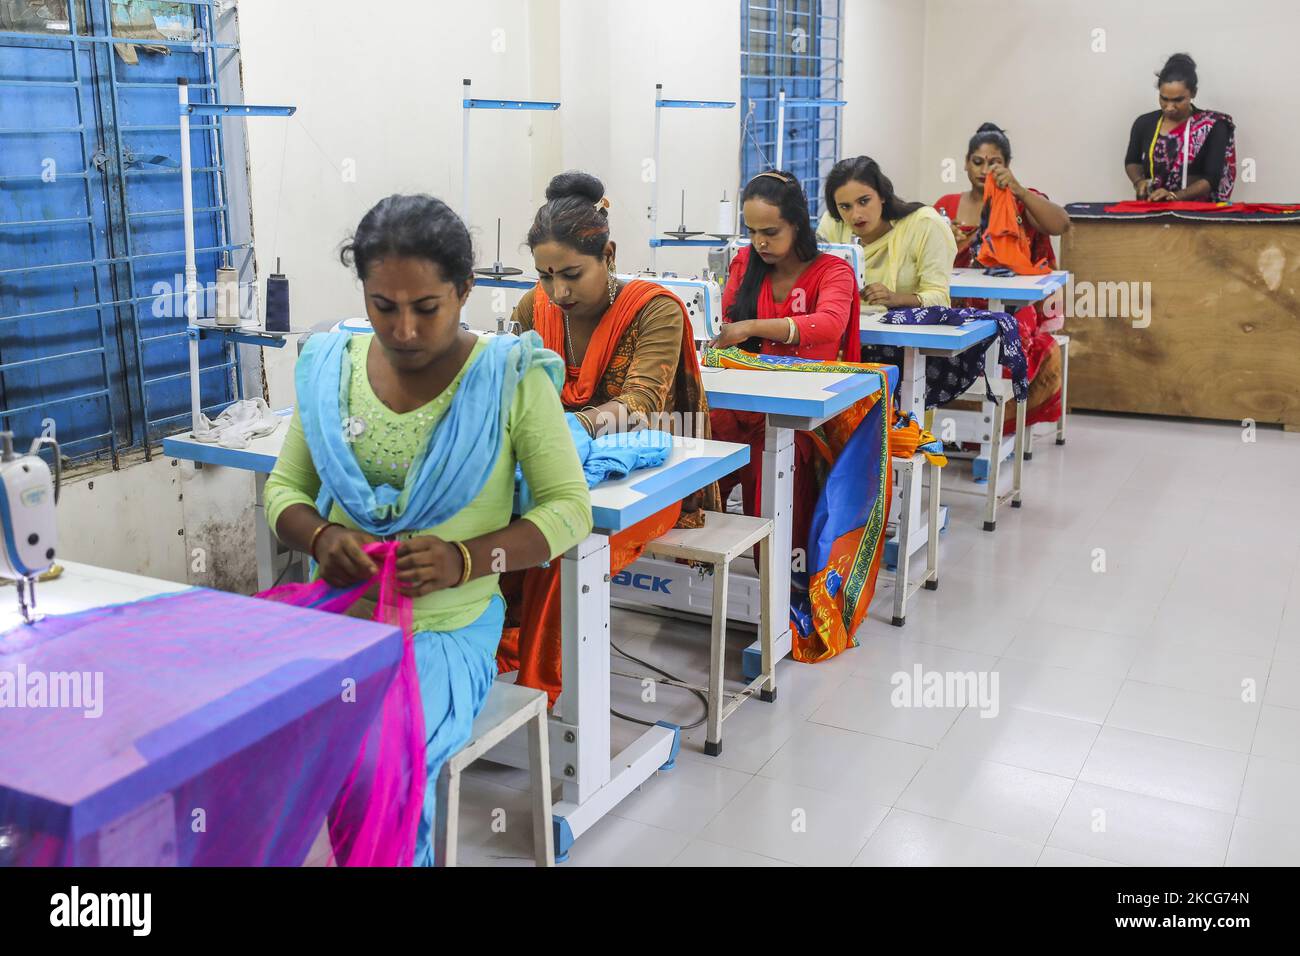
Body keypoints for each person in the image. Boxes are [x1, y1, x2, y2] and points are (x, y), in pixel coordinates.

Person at [263, 194, 591, 866]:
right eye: (384, 307)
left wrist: (466, 559)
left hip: (444, 628)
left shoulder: (508, 376)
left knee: (368, 761)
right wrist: (323, 539)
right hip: (339, 616)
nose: (404, 329)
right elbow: (285, 491)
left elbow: (567, 509)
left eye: (426, 308)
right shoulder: (330, 368)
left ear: (464, 291)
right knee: (227, 732)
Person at [496, 171, 720, 704]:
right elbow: (513, 384)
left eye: (572, 274)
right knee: (484, 532)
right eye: (546, 276)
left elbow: (642, 401)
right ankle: (490, 664)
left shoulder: (655, 309)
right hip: (560, 471)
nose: (559, 291)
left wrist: (577, 427)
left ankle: (542, 696)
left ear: (609, 254)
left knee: (558, 546)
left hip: (647, 477)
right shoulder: (535, 308)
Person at [709, 169, 862, 578]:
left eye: (771, 231)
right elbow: (722, 317)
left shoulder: (833, 272)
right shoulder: (745, 262)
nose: (760, 242)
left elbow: (828, 324)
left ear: (797, 223)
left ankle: (779, 586)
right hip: (744, 399)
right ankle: (694, 564)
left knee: (776, 468)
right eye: (752, 231)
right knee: (695, 448)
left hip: (799, 413)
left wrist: (752, 326)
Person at [935, 123, 1069, 430]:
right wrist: (947, 241)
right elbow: (926, 260)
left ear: (1006, 165)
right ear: (965, 164)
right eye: (977, 162)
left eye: (994, 162)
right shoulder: (946, 205)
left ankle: (992, 431)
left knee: (1008, 343)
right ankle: (953, 427)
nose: (984, 170)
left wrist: (1018, 189)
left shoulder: (1022, 199)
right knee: (941, 343)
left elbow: (1061, 224)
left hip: (1011, 304)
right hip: (958, 301)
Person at [816, 155, 956, 313]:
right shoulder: (833, 224)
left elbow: (940, 298)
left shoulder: (924, 224)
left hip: (910, 333)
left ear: (882, 195)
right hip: (846, 330)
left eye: (864, 201)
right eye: (845, 207)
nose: (855, 215)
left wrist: (896, 299)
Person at [1125, 53, 1236, 202]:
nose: (1169, 107)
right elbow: (1132, 161)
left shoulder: (1213, 126)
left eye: (1178, 100)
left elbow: (1212, 179)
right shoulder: (1144, 123)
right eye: (1164, 99)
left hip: (1198, 214)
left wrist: (1175, 196)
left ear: (1193, 93)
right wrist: (1139, 182)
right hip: (1154, 207)